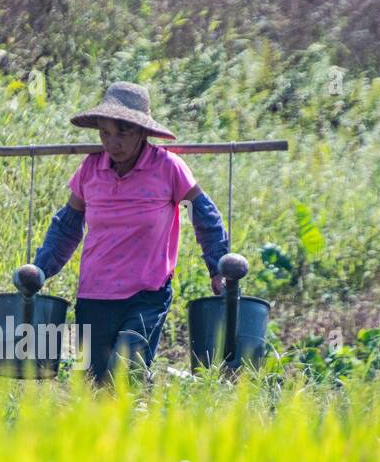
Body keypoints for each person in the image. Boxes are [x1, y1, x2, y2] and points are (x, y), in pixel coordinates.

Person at [25, 81, 231, 384]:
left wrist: (218, 267)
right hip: (94, 294)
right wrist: (40, 270)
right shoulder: (90, 170)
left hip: (146, 294)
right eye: (105, 133)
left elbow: (204, 217)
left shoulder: (168, 168)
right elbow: (67, 227)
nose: (113, 142)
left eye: (123, 132)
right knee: (93, 384)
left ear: (142, 132)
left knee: (124, 374)